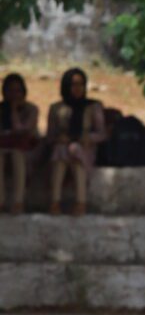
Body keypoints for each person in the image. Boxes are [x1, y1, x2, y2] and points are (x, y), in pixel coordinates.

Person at [46, 67, 106, 217]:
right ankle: (55, 201)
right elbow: (49, 136)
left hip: (85, 149)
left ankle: (81, 202)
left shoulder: (93, 106)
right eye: (73, 84)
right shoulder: (56, 108)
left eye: (81, 84)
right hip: (62, 149)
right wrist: (59, 138)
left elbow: (102, 134)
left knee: (75, 150)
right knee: (62, 150)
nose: (77, 88)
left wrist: (86, 138)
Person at [0, 72, 40, 213]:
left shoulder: (31, 109)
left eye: (17, 91)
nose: (14, 94)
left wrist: (13, 111)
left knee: (17, 155)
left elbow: (23, 131)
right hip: (5, 148)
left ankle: (18, 201)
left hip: (27, 150)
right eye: (10, 90)